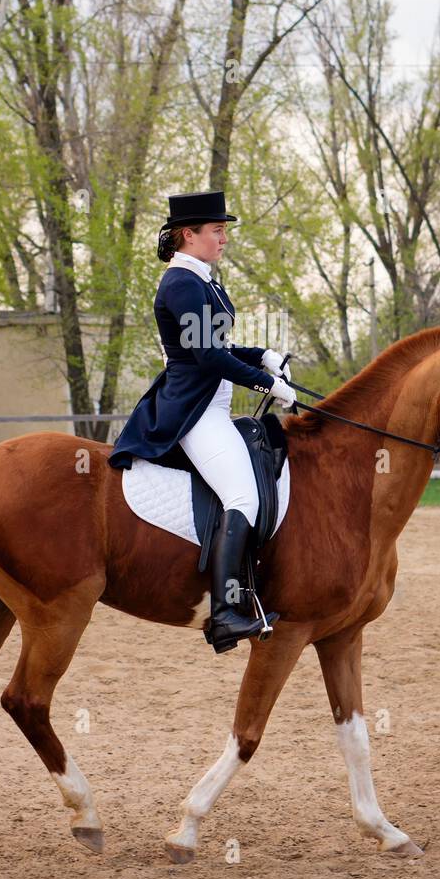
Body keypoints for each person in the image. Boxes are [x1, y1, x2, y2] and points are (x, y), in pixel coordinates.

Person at [107, 190, 297, 653]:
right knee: (242, 495)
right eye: (217, 231)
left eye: (224, 231)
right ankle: (227, 612)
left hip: (213, 406)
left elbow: (217, 346)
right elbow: (209, 357)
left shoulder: (205, 281)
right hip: (194, 412)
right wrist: (264, 383)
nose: (224, 239)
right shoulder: (181, 284)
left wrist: (263, 356)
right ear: (188, 235)